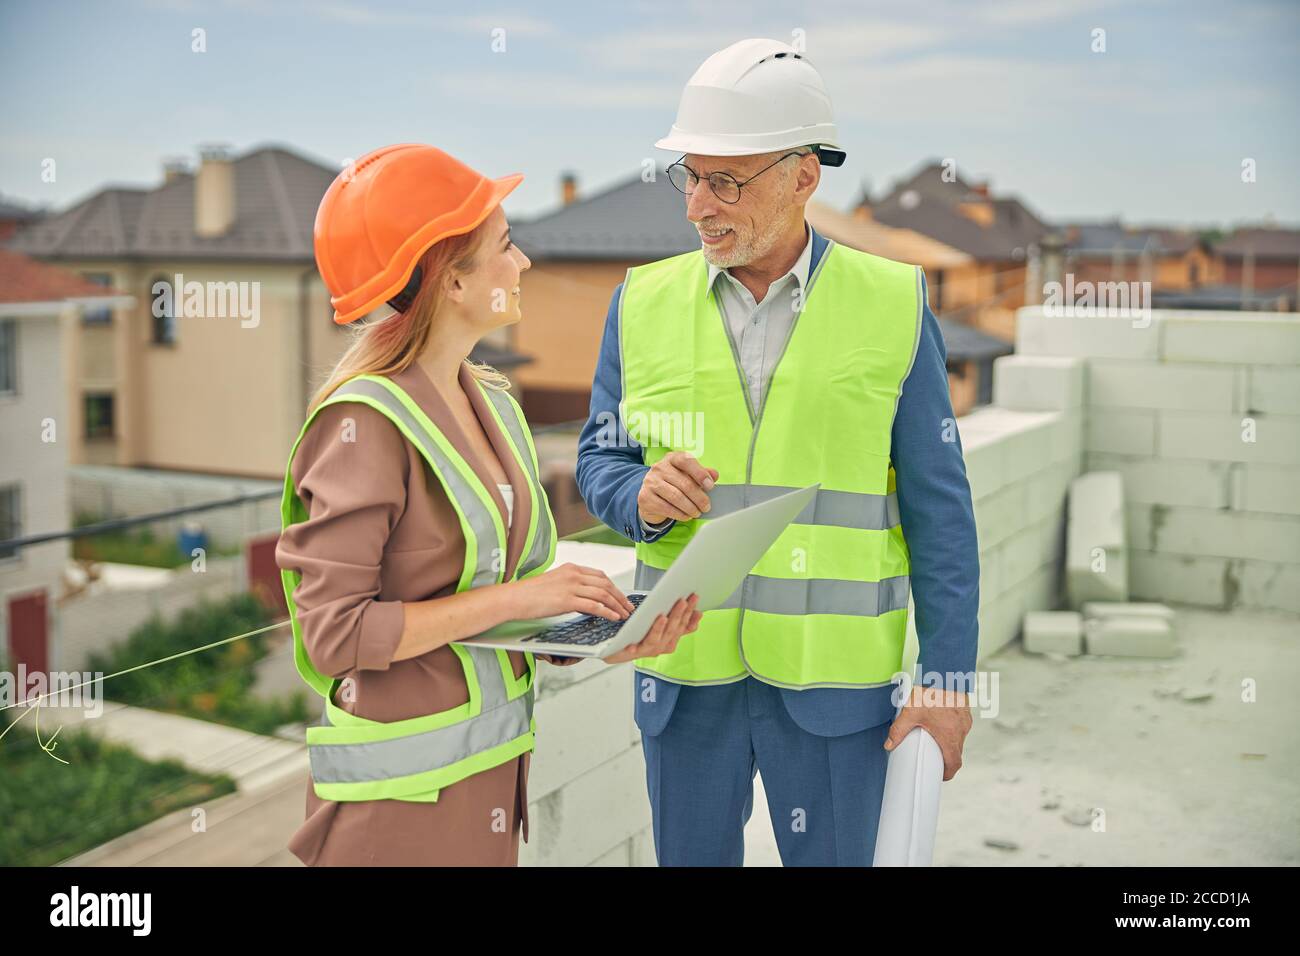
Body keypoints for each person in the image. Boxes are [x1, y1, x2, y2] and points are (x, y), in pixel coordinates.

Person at [576, 39, 979, 866]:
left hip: (837, 695)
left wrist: (947, 683)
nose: (697, 206)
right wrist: (638, 497)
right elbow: (599, 462)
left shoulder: (892, 303)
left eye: (726, 181)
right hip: (685, 684)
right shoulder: (640, 302)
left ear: (804, 176)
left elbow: (941, 510)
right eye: (691, 175)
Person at [275, 144, 700, 866]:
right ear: (453, 279)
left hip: (489, 785)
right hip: (396, 812)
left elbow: (487, 602)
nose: (524, 262)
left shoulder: (494, 403)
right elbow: (335, 636)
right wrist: (525, 597)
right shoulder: (364, 427)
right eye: (505, 245)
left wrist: (595, 636)